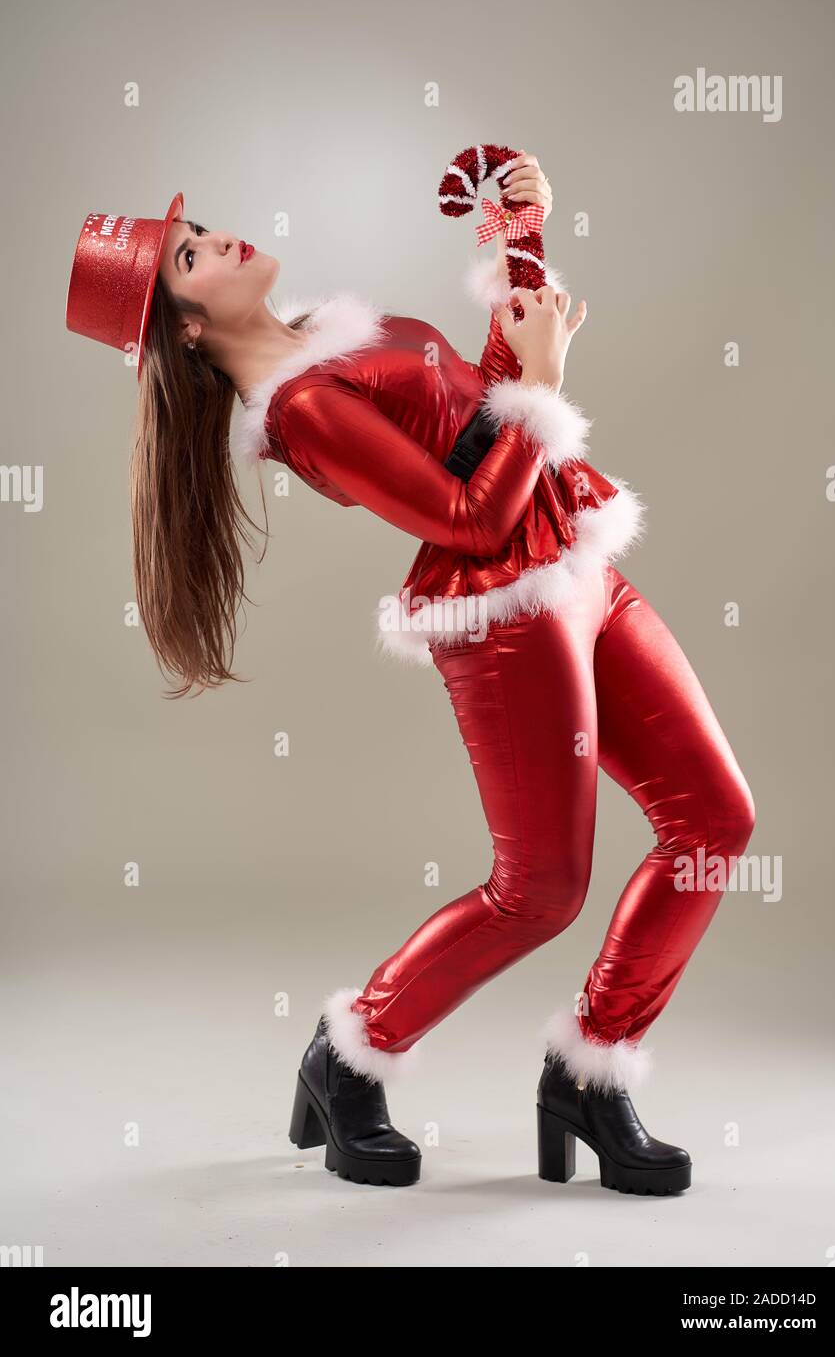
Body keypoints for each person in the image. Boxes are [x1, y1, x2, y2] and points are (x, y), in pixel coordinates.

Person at [65, 155, 755, 1196]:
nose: (218, 239)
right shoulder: (298, 408)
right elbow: (468, 517)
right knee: (542, 890)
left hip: (570, 558)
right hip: (502, 617)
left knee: (713, 819)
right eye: (190, 257)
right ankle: (348, 1055)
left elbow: (482, 409)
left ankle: (590, 1075)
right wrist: (544, 382)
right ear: (188, 331)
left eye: (198, 228)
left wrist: (516, 232)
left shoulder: (333, 334)